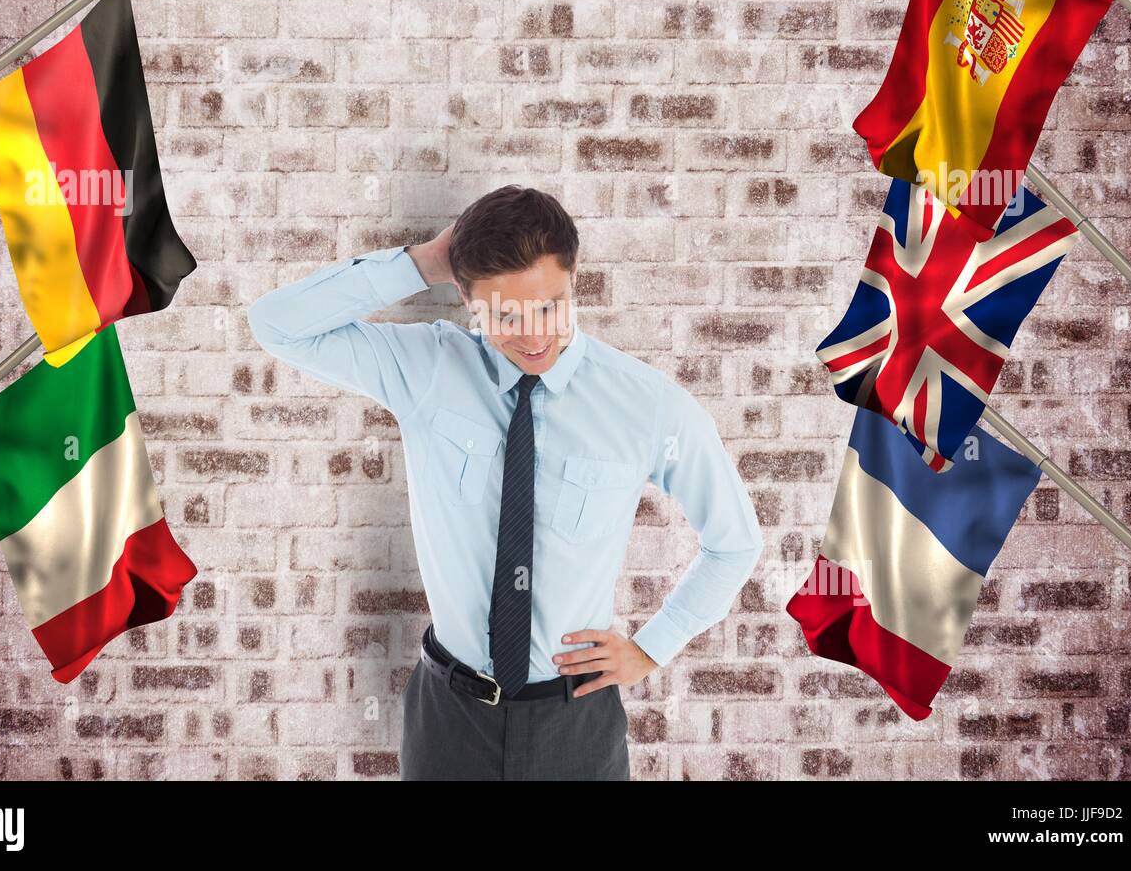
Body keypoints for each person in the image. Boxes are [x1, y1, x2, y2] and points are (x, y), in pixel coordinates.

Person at [247, 184, 764, 780]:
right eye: (505, 315)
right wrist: (422, 263)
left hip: (577, 725)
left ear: (574, 280)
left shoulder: (648, 406)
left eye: (550, 305)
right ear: (466, 298)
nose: (534, 335)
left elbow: (734, 542)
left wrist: (653, 647)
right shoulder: (427, 370)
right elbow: (278, 326)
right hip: (449, 721)